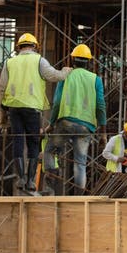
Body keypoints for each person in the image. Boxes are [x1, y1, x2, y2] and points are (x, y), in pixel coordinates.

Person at [0, 32, 70, 194]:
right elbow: (53, 75)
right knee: (33, 143)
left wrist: (2, 113)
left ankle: (21, 178)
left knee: (18, 141)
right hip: (32, 108)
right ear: (34, 46)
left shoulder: (10, 62)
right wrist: (65, 71)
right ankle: (31, 180)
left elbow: (2, 88)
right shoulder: (39, 60)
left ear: (19, 47)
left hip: (13, 107)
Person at [42, 43, 106, 194]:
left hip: (65, 122)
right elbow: (100, 105)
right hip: (85, 127)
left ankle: (52, 181)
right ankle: (78, 198)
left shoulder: (66, 75)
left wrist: (51, 124)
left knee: (50, 151)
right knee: (80, 163)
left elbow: (57, 102)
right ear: (89, 61)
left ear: (73, 59)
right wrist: (103, 132)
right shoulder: (95, 79)